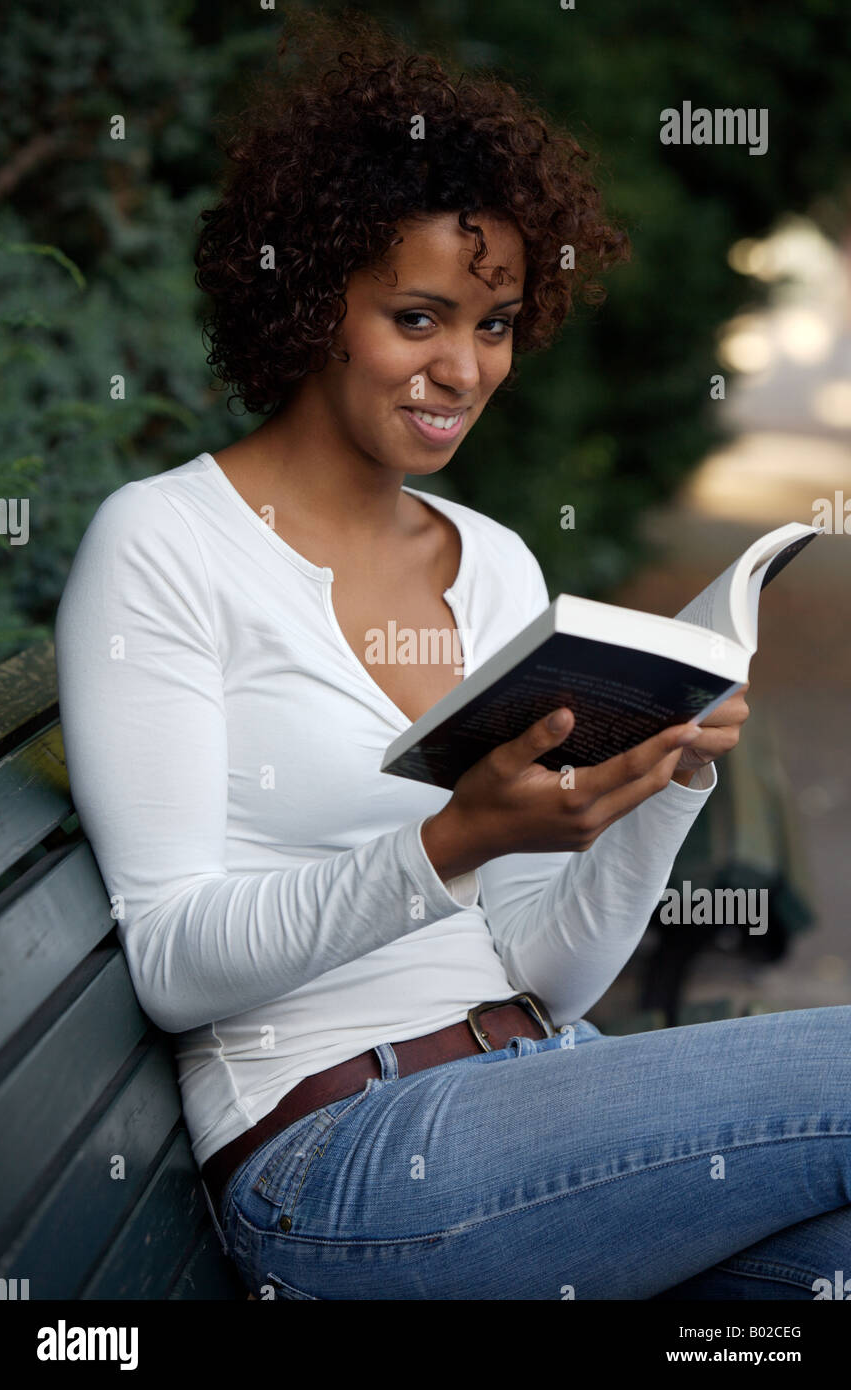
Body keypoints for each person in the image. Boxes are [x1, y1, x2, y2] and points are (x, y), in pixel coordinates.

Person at [54, 14, 851, 1300]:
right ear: (315, 300)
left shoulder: (494, 566)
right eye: (418, 316)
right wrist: (449, 842)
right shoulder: (164, 545)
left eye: (494, 325)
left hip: (537, 1088)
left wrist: (667, 782)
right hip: (337, 1158)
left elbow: (547, 968)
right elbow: (172, 962)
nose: (463, 368)